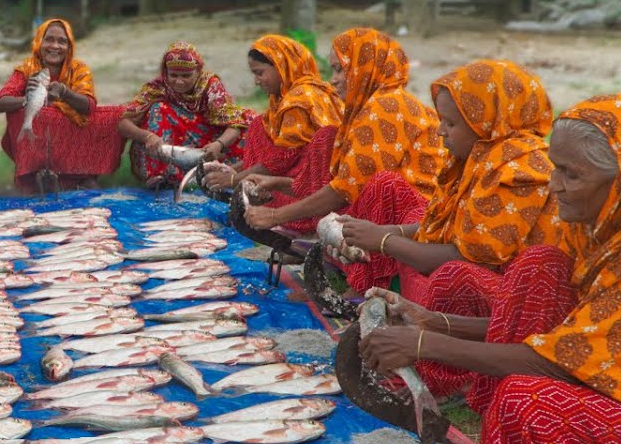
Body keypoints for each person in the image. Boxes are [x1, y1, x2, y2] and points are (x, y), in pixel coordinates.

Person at [360, 95, 621, 444]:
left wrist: (424, 345)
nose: (555, 185)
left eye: (571, 174)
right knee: (540, 268)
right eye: (556, 167)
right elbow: (572, 337)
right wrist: (433, 322)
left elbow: (555, 362)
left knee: (529, 402)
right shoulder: (607, 225)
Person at [335, 60, 564, 396]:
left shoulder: (518, 168)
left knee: (453, 275)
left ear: (486, 122)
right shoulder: (483, 157)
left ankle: (450, 379)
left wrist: (383, 240)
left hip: (525, 301)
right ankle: (407, 324)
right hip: (494, 285)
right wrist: (388, 233)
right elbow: (446, 229)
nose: (440, 130)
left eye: (451, 123)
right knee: (408, 226)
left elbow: (468, 257)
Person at [241, 28, 444, 268]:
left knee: (382, 185)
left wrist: (275, 215)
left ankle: (363, 270)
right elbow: (341, 181)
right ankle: (325, 249)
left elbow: (343, 192)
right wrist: (278, 184)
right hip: (384, 207)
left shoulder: (387, 107)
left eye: (340, 70)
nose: (333, 80)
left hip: (415, 219)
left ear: (365, 67)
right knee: (327, 137)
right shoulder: (368, 107)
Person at [203, 35, 343, 234]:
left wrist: (234, 180)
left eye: (260, 73)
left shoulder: (300, 98)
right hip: (304, 176)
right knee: (259, 125)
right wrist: (233, 170)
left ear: (281, 65)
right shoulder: (284, 96)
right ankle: (254, 193)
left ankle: (280, 212)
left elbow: (284, 157)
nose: (256, 81)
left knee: (257, 128)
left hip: (316, 185)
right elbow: (277, 151)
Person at [0, 18, 124, 192]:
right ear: (39, 42)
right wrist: (27, 99)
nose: (55, 46)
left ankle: (80, 175)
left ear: (69, 47)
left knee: (117, 115)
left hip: (70, 131)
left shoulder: (79, 69)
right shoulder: (27, 68)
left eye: (62, 41)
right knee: (22, 113)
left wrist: (64, 92)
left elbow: (89, 106)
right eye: (49, 39)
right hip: (40, 131)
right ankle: (38, 173)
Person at [117, 40, 254, 188]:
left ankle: (218, 174)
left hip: (209, 142)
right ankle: (163, 176)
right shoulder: (157, 87)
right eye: (173, 75)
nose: (179, 81)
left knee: (251, 131)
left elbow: (234, 124)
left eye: (186, 76)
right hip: (172, 145)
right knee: (159, 109)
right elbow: (123, 122)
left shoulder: (210, 85)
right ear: (165, 72)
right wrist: (147, 137)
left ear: (198, 72)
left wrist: (218, 144)